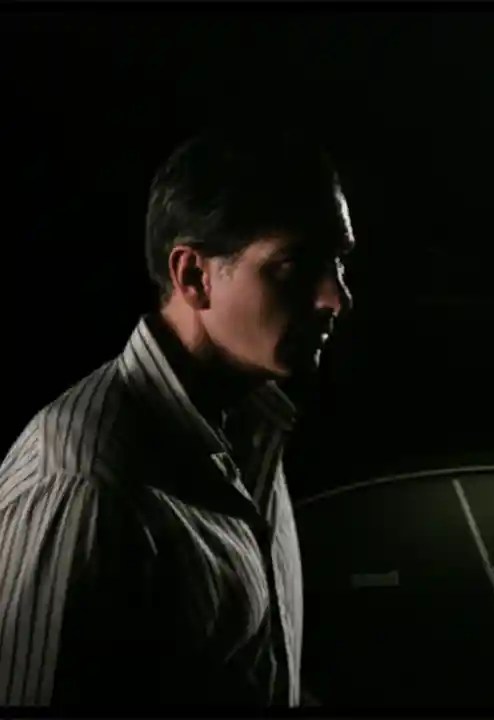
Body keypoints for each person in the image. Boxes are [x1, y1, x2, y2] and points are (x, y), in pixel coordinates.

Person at [0, 128, 354, 707]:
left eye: (339, 262)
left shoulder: (249, 419)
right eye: (295, 265)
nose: (336, 298)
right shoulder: (86, 491)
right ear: (193, 276)